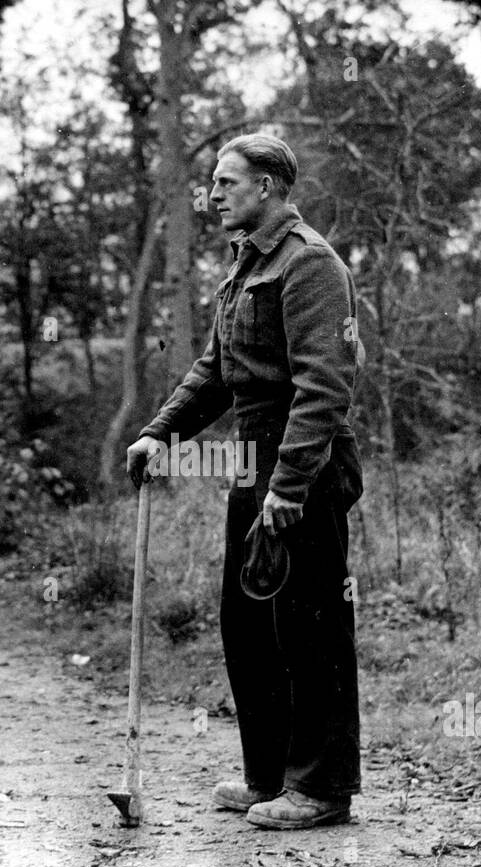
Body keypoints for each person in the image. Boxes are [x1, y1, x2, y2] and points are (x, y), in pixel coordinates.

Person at [126, 134, 364, 830]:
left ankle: (321, 787)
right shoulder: (242, 266)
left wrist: (288, 488)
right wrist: (159, 432)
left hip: (304, 465)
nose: (215, 193)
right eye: (212, 182)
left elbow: (325, 386)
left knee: (308, 627)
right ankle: (269, 775)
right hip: (249, 462)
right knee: (250, 625)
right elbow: (213, 369)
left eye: (228, 182)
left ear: (267, 187)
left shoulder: (310, 265)